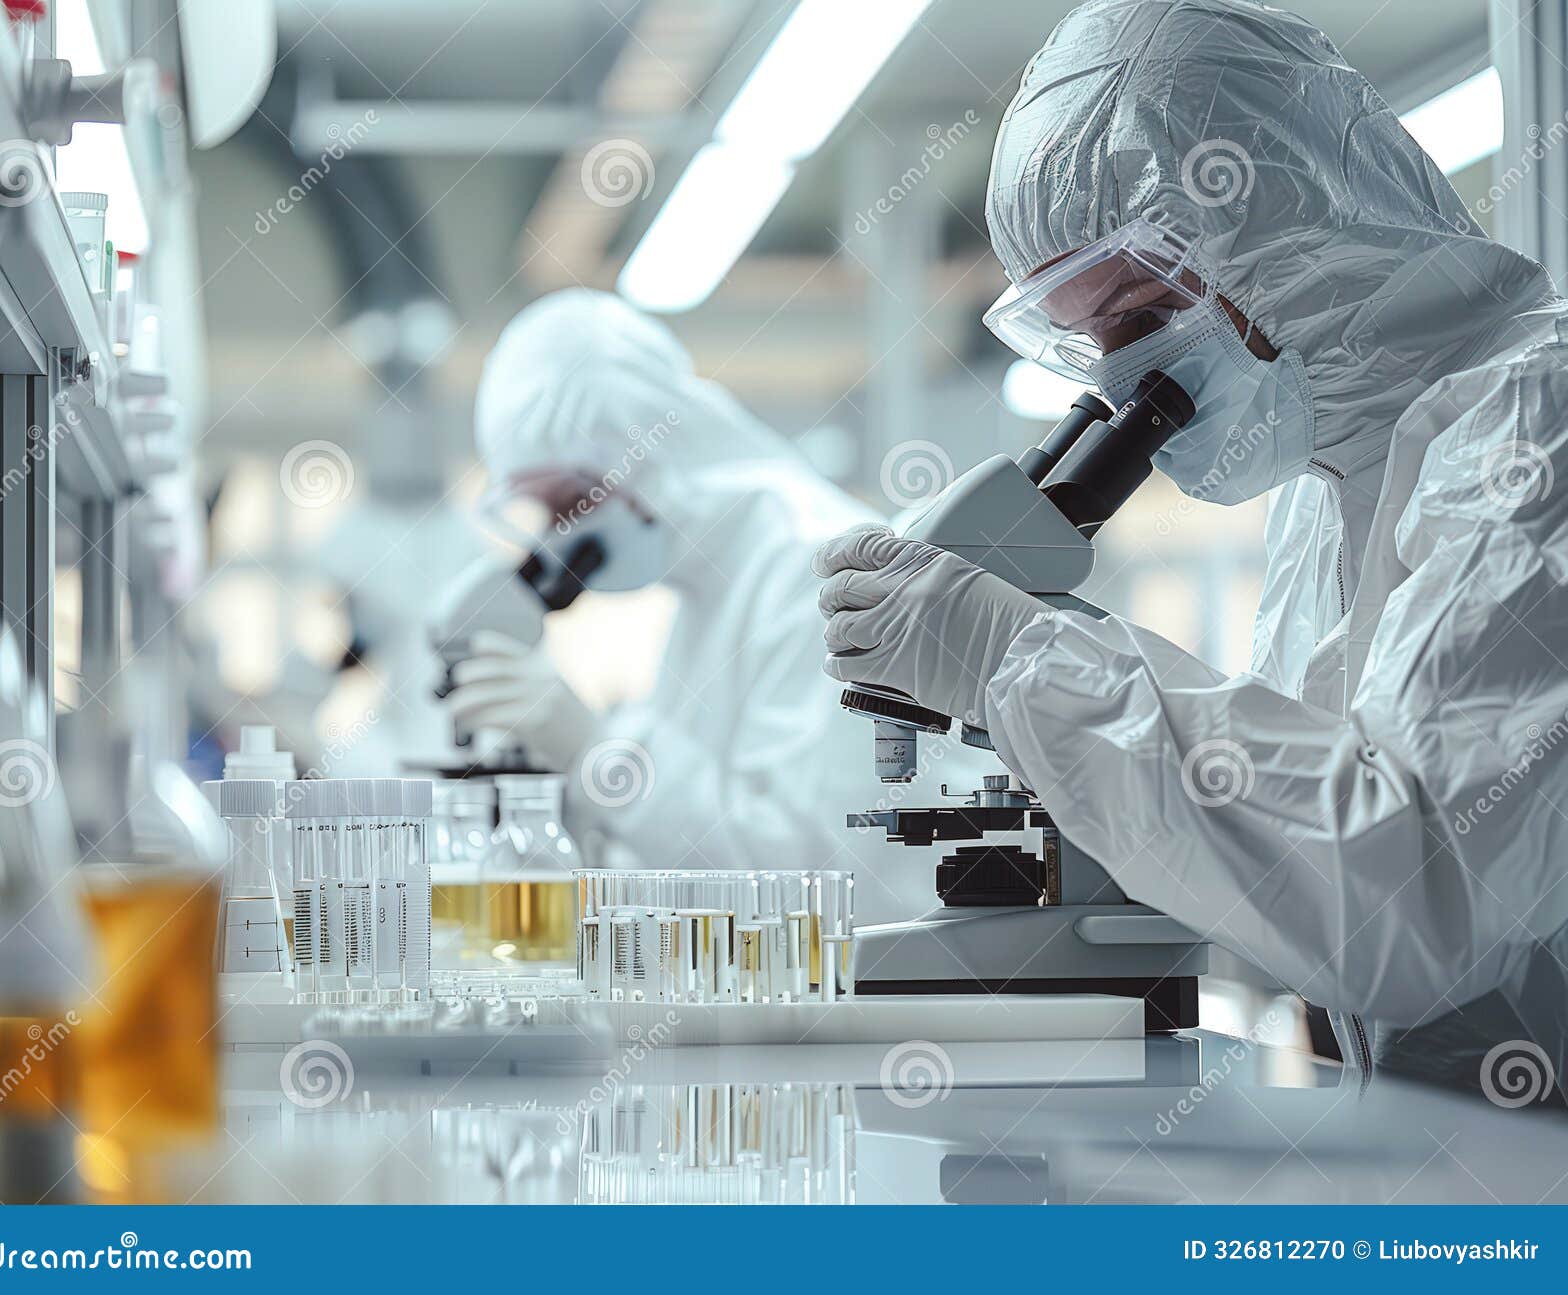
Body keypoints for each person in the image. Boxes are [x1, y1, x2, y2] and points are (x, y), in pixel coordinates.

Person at [816, 0, 1568, 1100]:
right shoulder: (1329, 489)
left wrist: (1017, 660)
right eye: (1095, 344)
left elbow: (1406, 892)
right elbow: (1308, 835)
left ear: (1287, 229)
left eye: (1141, 316)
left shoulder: (1535, 426)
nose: (1125, 384)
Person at [445, 289, 991, 924]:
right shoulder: (706, 588)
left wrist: (601, 751)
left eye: (572, 503)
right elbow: (695, 866)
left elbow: (818, 877)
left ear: (645, 457)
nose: (561, 537)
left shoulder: (811, 566)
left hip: (877, 979)